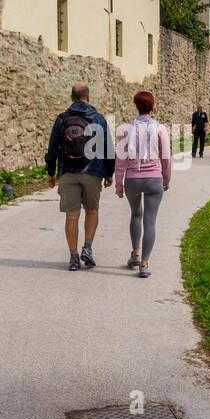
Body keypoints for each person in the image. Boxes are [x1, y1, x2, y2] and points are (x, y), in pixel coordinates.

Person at [45, 82, 114, 270]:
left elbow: (52, 148)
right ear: (88, 97)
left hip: (68, 172)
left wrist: (51, 172)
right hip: (93, 171)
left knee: (72, 216)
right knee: (92, 210)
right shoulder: (99, 119)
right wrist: (109, 172)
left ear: (71, 98)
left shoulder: (61, 119)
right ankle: (88, 249)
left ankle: (74, 256)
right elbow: (108, 148)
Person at [115, 91, 171, 279]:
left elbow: (120, 161)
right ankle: (145, 264)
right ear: (152, 106)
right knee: (150, 221)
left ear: (136, 106)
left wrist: (118, 185)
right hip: (154, 179)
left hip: (132, 179)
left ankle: (135, 254)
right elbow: (166, 157)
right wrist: (166, 178)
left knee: (136, 214)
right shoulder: (160, 129)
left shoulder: (126, 130)